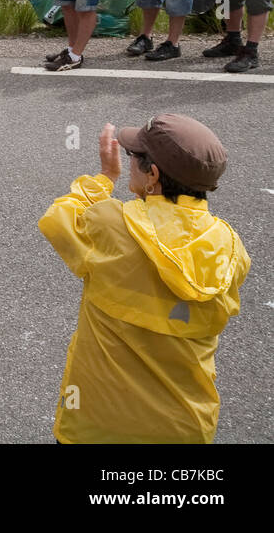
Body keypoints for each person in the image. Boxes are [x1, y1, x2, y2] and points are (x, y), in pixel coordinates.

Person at [39, 115, 248, 443]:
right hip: (185, 426)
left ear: (153, 175)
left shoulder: (111, 223)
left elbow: (58, 217)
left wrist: (105, 177)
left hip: (98, 423)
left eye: (133, 157)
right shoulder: (230, 245)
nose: (129, 162)